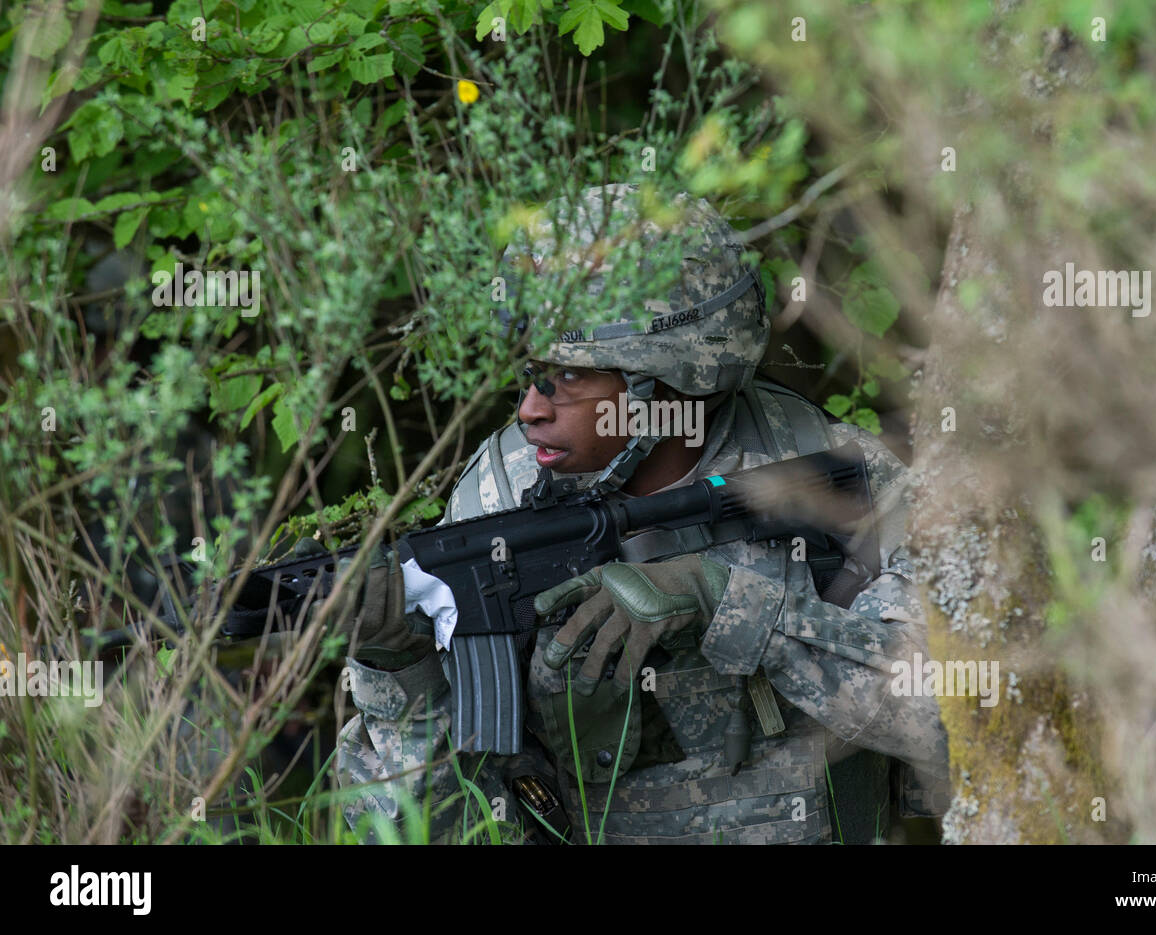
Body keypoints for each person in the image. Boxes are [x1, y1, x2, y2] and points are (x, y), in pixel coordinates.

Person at [332, 184, 950, 844]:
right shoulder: (501, 494)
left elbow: (955, 719)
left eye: (568, 376)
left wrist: (728, 601)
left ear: (666, 378)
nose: (529, 410)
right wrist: (395, 673)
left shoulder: (828, 473)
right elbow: (410, 827)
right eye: (531, 371)